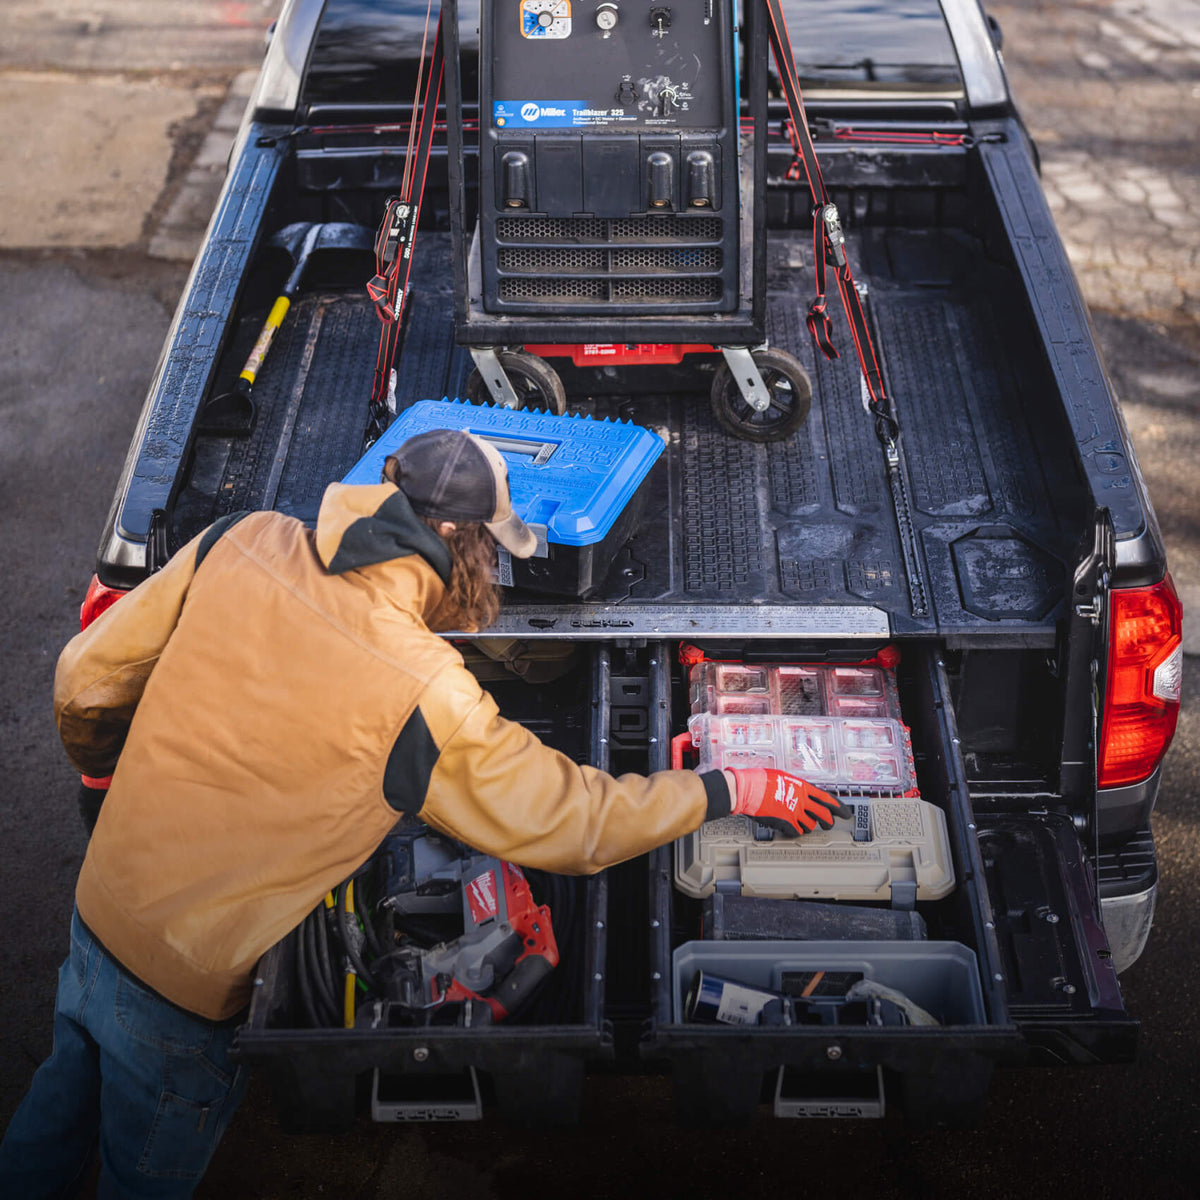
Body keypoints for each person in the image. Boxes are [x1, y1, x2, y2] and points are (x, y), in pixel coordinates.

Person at [0, 429, 849, 1197]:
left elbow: (86, 681)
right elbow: (572, 820)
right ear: (453, 538)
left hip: (101, 904)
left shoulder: (242, 539)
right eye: (493, 551)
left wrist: (116, 779)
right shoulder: (423, 690)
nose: (495, 572)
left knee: (53, 1112)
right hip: (183, 988)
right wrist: (729, 790)